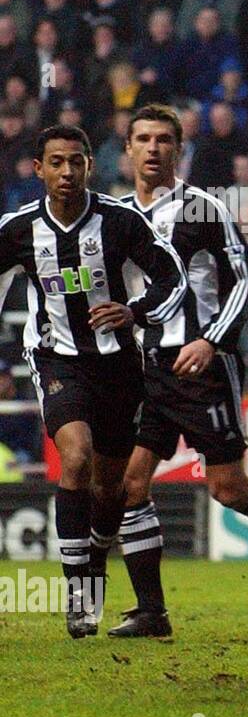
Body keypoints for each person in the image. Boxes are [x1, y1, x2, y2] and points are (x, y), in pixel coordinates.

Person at [0, 124, 186, 637]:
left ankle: (98, 575)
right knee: (75, 457)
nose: (67, 172)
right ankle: (80, 596)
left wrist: (136, 312)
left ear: (89, 165)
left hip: (118, 367)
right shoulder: (17, 230)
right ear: (39, 169)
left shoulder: (120, 222)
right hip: (57, 360)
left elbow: (172, 276)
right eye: (56, 162)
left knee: (111, 487)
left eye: (76, 162)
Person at [109, 104, 248, 637]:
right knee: (127, 483)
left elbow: (242, 282)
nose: (153, 148)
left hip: (201, 366)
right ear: (128, 150)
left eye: (164, 140)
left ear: (179, 150)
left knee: (227, 488)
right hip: (145, 368)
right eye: (143, 139)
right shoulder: (114, 217)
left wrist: (211, 341)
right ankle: (151, 612)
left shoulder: (205, 209)